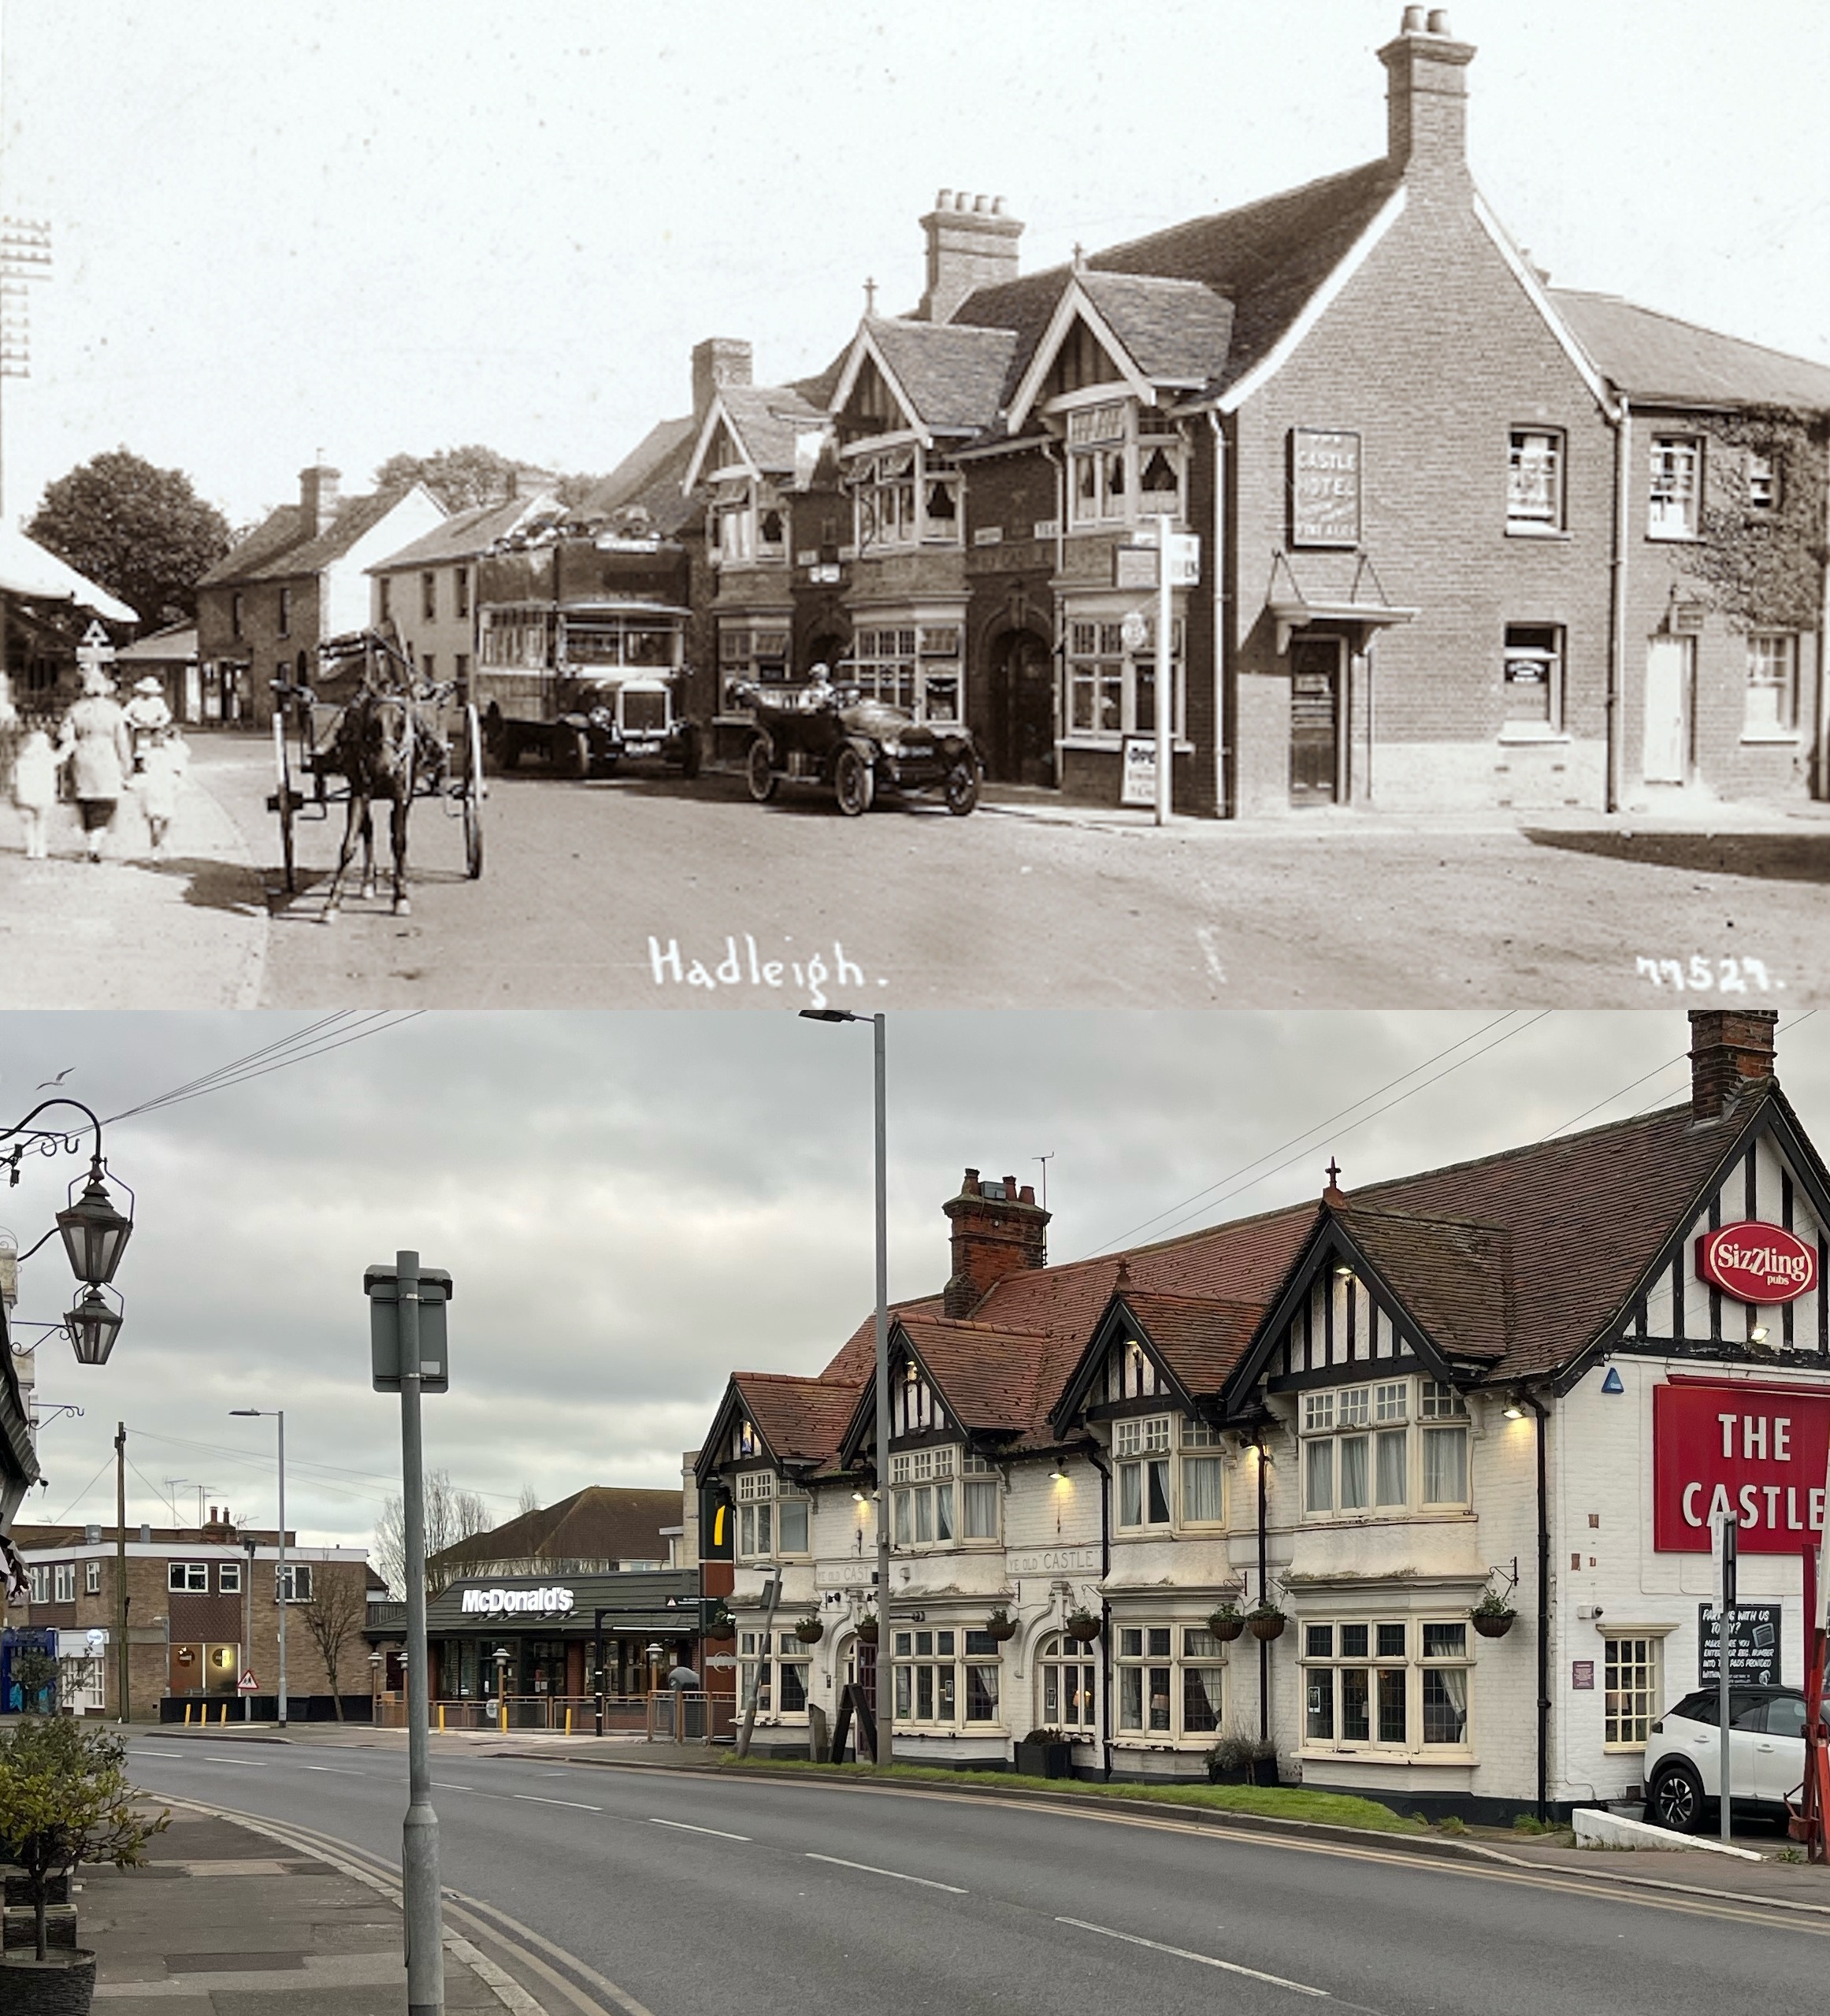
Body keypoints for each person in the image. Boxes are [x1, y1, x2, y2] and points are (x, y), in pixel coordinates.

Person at [55, 667, 132, 862]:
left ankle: (88, 839)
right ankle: (94, 845)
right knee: (105, 802)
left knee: (86, 800)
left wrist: (61, 756)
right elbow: (122, 741)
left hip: (83, 754)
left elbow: (65, 737)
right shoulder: (114, 710)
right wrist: (126, 765)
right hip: (107, 755)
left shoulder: (76, 710)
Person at [137, 729, 189, 858]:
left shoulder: (171, 751)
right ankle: (154, 846)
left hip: (166, 786)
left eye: (162, 737)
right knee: (153, 817)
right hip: (152, 786)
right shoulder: (146, 752)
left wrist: (177, 779)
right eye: (156, 737)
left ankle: (163, 839)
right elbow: (142, 768)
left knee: (167, 816)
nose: (159, 740)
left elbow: (180, 763)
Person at [10, 729, 57, 859]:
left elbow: (13, 780)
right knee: (41, 823)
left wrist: (14, 793)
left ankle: (30, 849)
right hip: (44, 797)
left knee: (27, 823)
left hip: (25, 796)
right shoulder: (49, 759)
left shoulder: (21, 761)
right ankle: (41, 849)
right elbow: (62, 756)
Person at [122, 675, 173, 770]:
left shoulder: (158, 702)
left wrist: (159, 724)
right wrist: (134, 723)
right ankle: (139, 764)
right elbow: (124, 714)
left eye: (150, 692)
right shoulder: (136, 702)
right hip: (140, 728)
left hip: (154, 728)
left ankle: (155, 766)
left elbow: (167, 716)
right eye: (146, 692)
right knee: (140, 748)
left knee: (156, 749)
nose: (147, 694)